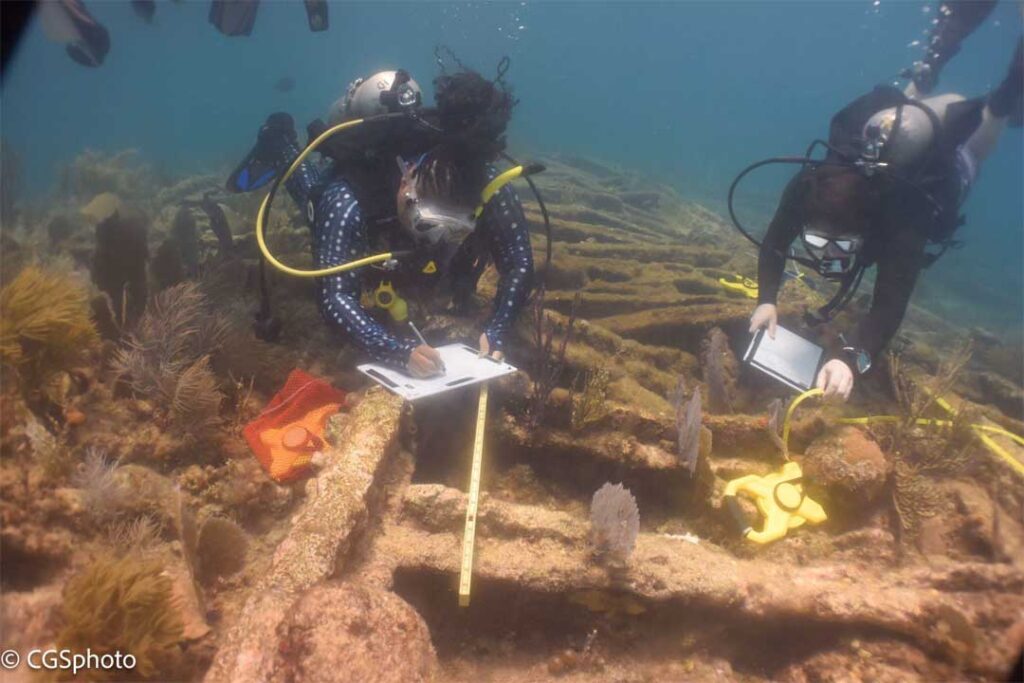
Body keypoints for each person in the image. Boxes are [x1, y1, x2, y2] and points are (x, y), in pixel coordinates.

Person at [748, 4, 1021, 401]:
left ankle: (1004, 97)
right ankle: (927, 70)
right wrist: (766, 301)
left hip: (942, 158)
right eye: (817, 243)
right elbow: (774, 243)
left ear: (865, 233)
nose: (826, 258)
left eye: (839, 247)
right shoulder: (807, 188)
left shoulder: (903, 221)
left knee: (977, 150)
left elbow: (890, 306)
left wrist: (849, 357)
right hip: (890, 134)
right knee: (893, 128)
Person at [229, 64, 534, 378]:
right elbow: (334, 298)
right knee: (312, 199)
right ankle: (280, 143)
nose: (438, 239)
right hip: (367, 205)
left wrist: (499, 327)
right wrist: (397, 352)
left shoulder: (484, 182)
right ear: (406, 185)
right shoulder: (346, 199)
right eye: (426, 225)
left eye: (455, 228)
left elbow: (520, 261)